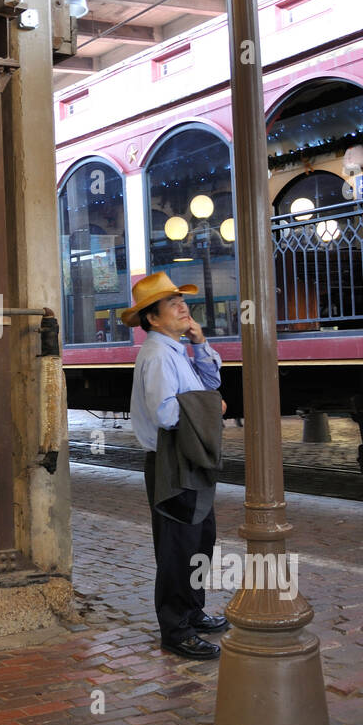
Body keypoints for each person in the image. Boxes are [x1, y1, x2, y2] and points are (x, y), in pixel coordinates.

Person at [124, 271, 229, 661]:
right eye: (172, 304)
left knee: (201, 540)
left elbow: (210, 382)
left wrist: (200, 344)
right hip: (172, 458)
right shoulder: (156, 355)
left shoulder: (175, 349)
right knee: (177, 548)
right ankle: (175, 629)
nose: (183, 307)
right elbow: (167, 413)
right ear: (152, 318)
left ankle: (193, 611)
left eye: (181, 301)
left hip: (187, 455)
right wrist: (208, 407)